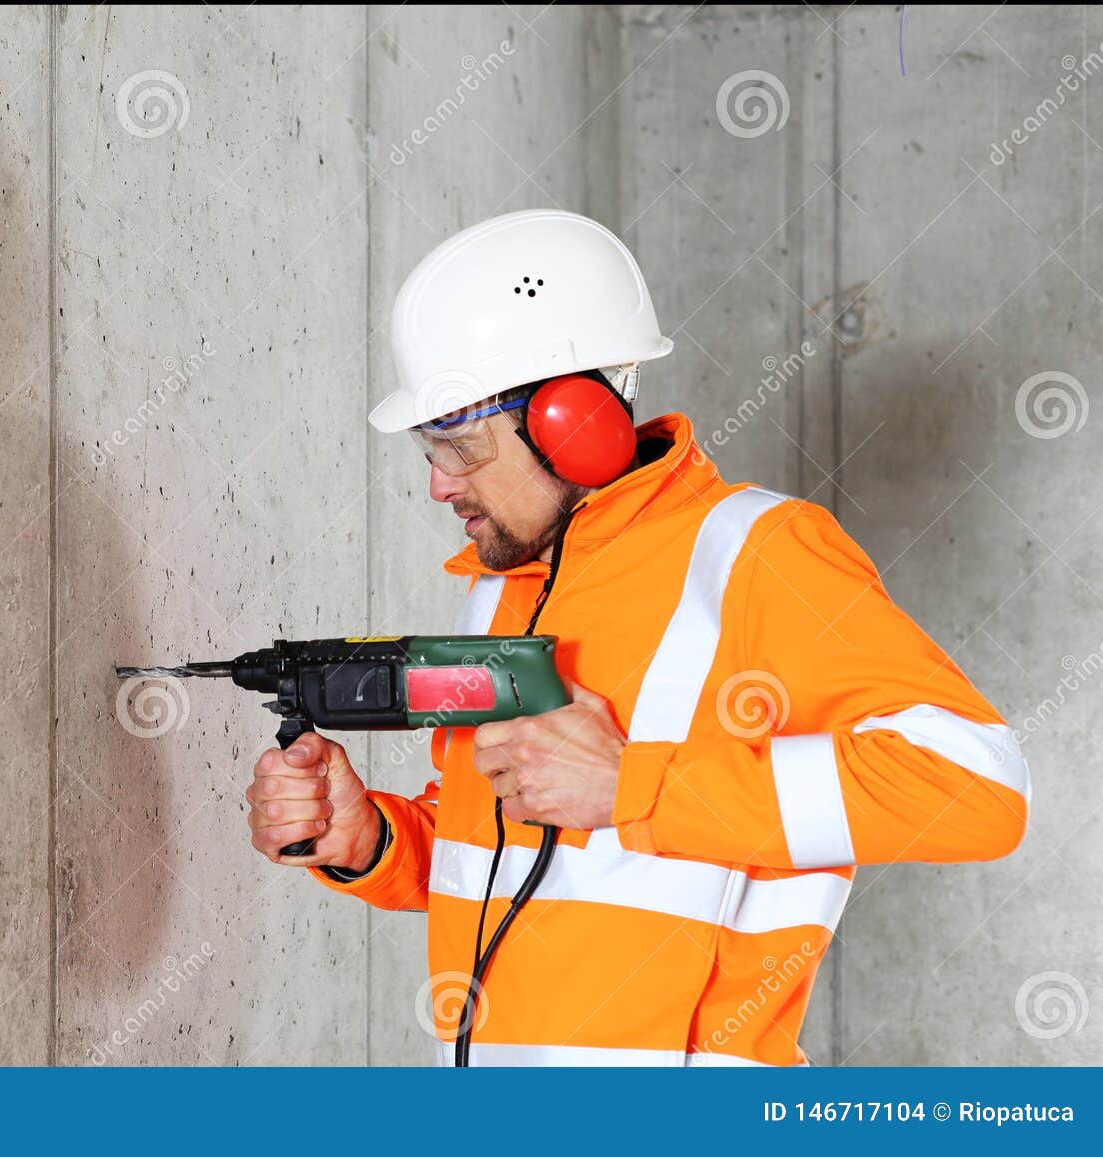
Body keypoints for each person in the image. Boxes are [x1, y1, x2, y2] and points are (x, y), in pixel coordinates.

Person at [244, 210, 1030, 1067]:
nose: (438, 484)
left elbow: (980, 787)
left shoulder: (756, 554)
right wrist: (372, 840)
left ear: (573, 423)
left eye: (460, 445)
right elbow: (506, 858)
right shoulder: (493, 595)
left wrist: (633, 785)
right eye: (427, 448)